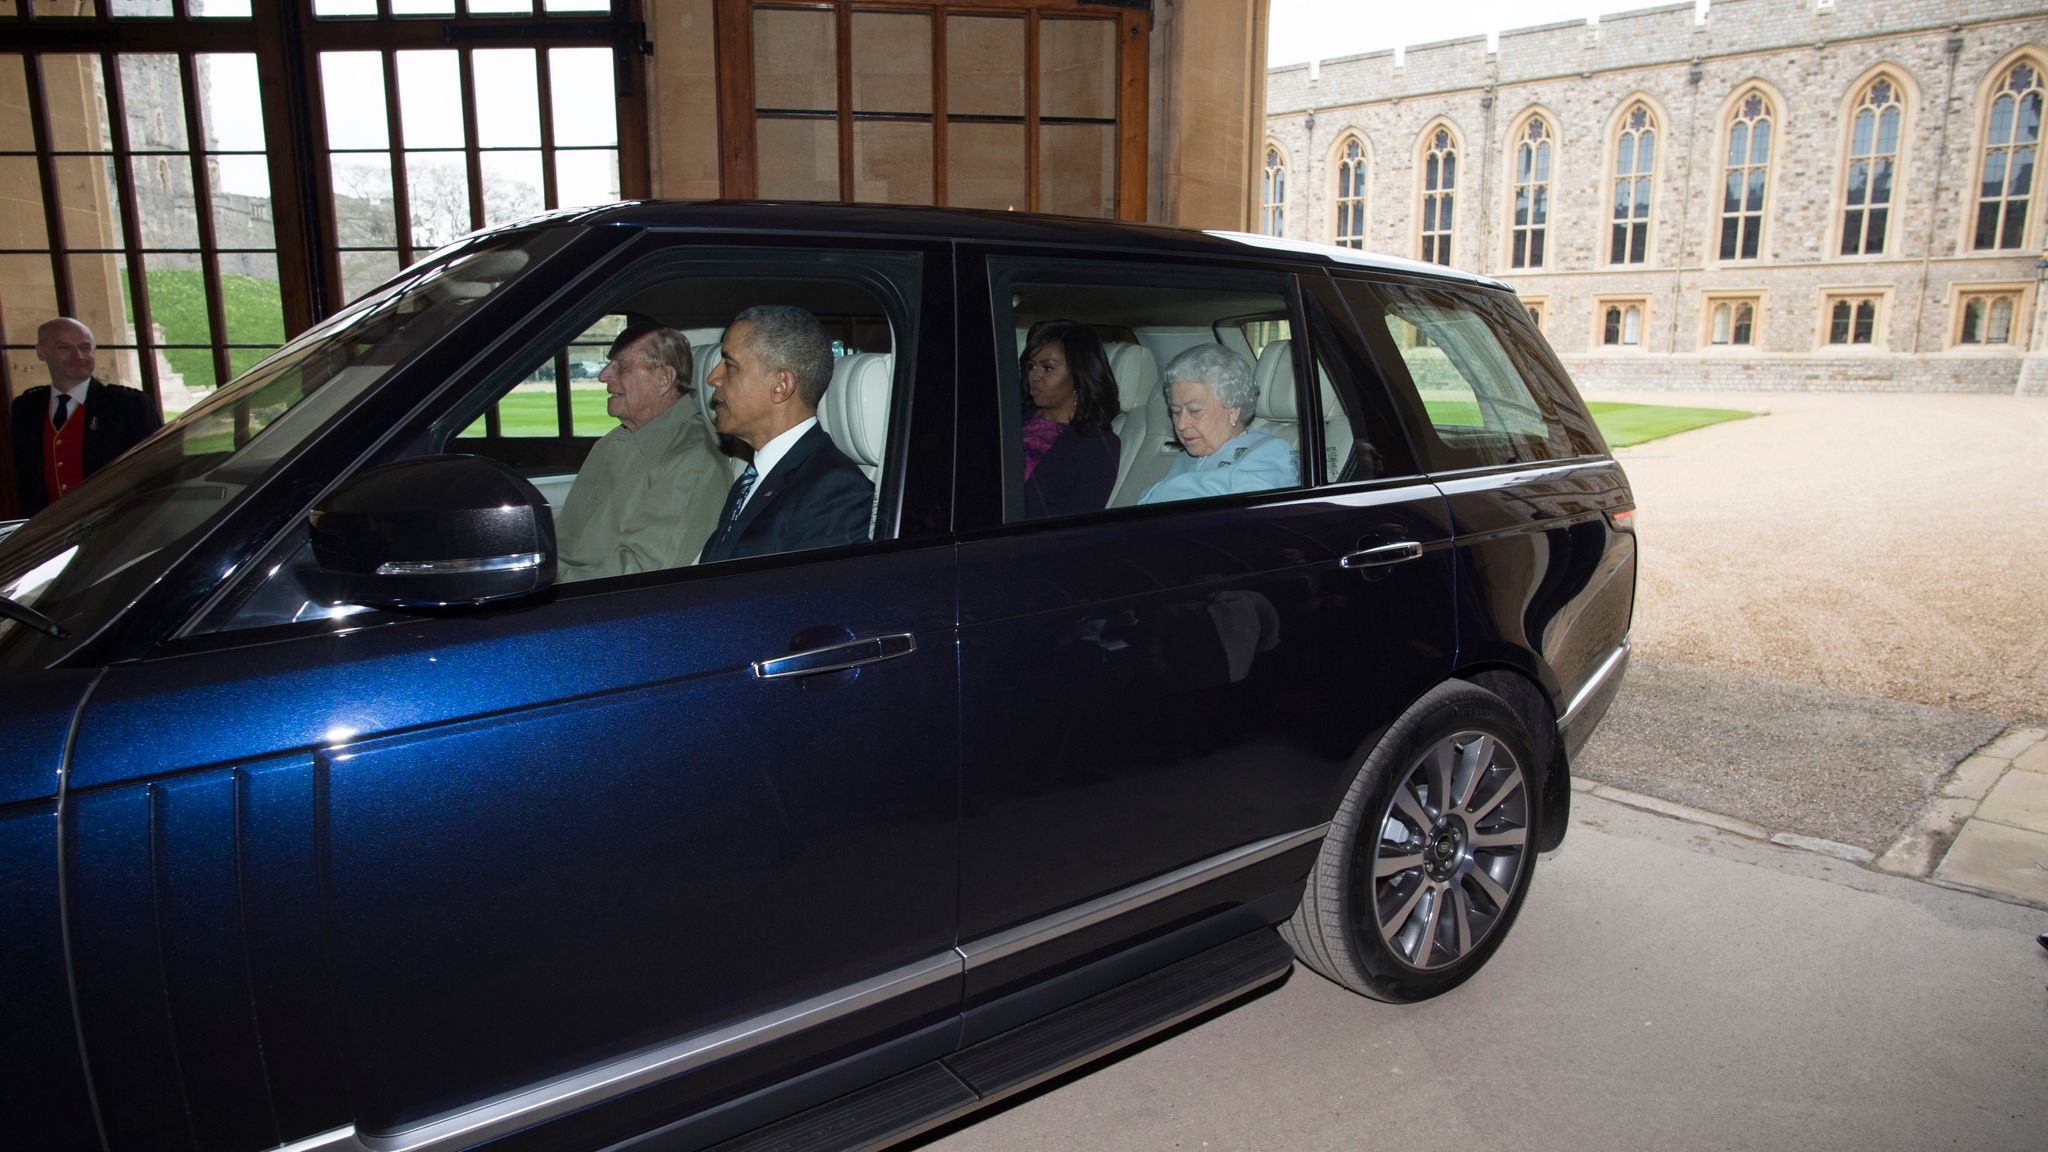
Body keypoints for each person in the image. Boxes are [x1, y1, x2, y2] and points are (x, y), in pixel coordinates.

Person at [697, 305, 872, 563]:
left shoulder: (835, 491)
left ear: (781, 386)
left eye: (730, 365)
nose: (713, 377)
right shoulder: (752, 479)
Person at [553, 325, 728, 581]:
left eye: (622, 366)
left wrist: (543, 581)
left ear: (664, 379)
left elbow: (636, 575)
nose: (603, 375)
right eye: (609, 364)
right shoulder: (617, 439)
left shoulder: (692, 462)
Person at [10, 317, 161, 517]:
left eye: (85, 347)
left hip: (116, 527)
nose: (78, 355)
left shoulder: (129, 406)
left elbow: (157, 470)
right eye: (64, 347)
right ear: (41, 352)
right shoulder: (26, 407)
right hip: (46, 533)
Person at [1136, 344, 1297, 505]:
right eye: (1176, 411)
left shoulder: (1268, 453)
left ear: (1233, 409)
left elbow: (1255, 523)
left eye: (1194, 410)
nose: (1181, 424)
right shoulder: (1186, 458)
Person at [1019, 320, 1120, 517]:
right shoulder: (1012, 419)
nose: (1035, 376)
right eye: (1031, 366)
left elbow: (1076, 529)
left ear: (1078, 374)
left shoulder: (1096, 446)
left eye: (1048, 368)